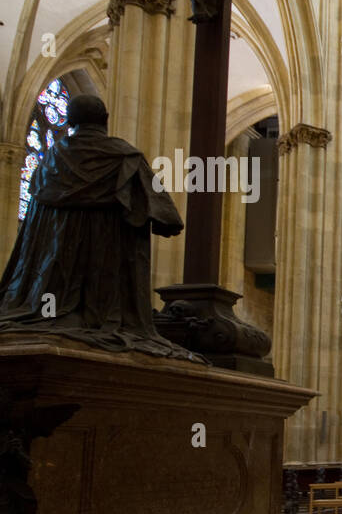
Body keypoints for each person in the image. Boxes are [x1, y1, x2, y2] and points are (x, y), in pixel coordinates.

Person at [0, 95, 199, 362]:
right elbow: (168, 219)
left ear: (70, 121)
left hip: (49, 283)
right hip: (105, 277)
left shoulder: (50, 160)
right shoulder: (124, 156)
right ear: (106, 120)